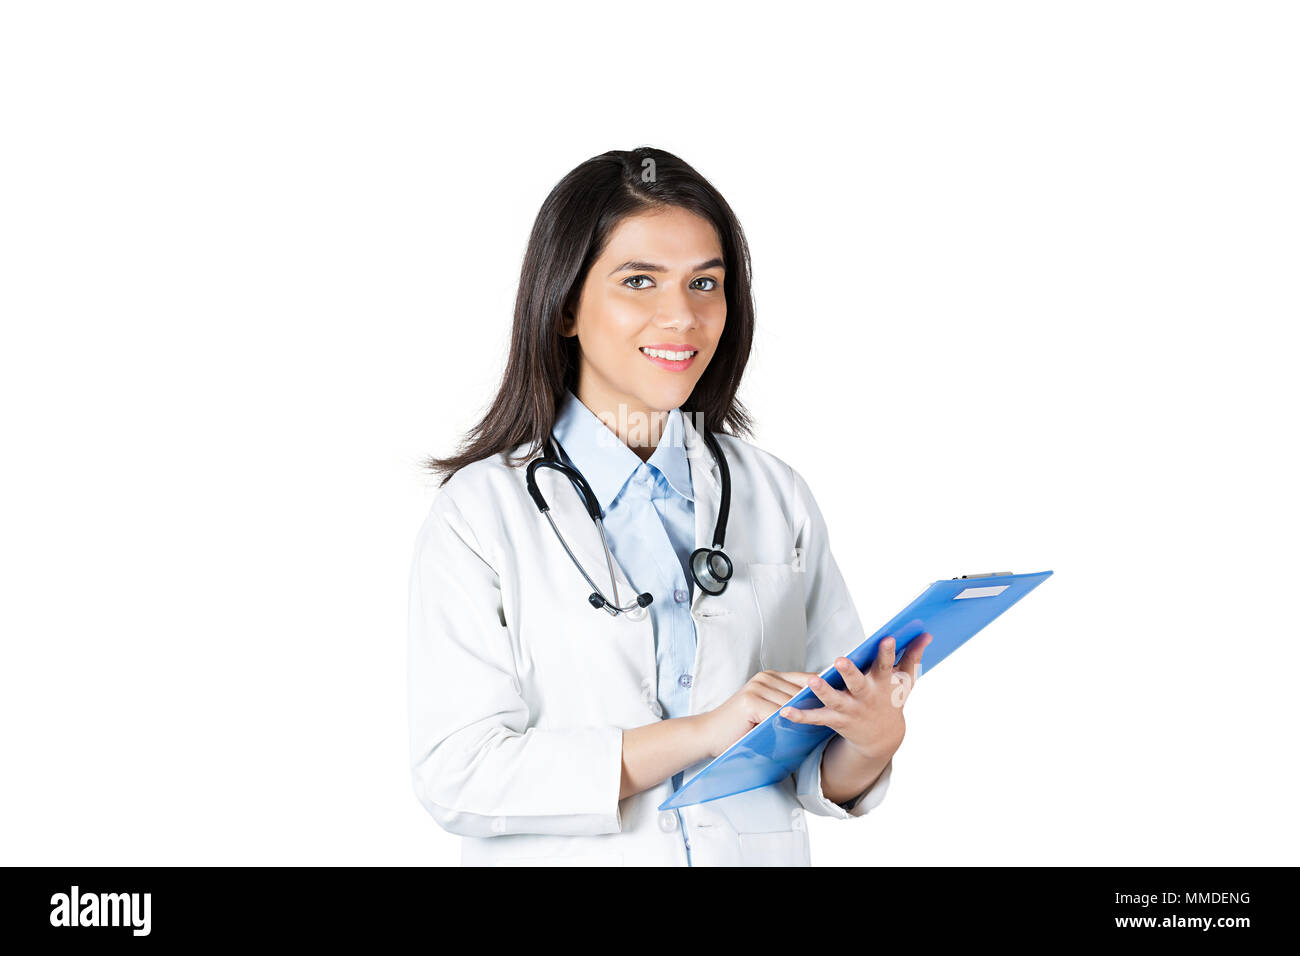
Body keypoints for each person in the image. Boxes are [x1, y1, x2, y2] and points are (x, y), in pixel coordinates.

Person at [407, 146, 931, 866]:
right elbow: (459, 774)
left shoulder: (775, 495)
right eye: (640, 280)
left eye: (704, 282)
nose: (681, 315)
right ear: (564, 306)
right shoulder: (481, 514)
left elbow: (815, 763)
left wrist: (870, 740)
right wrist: (706, 731)